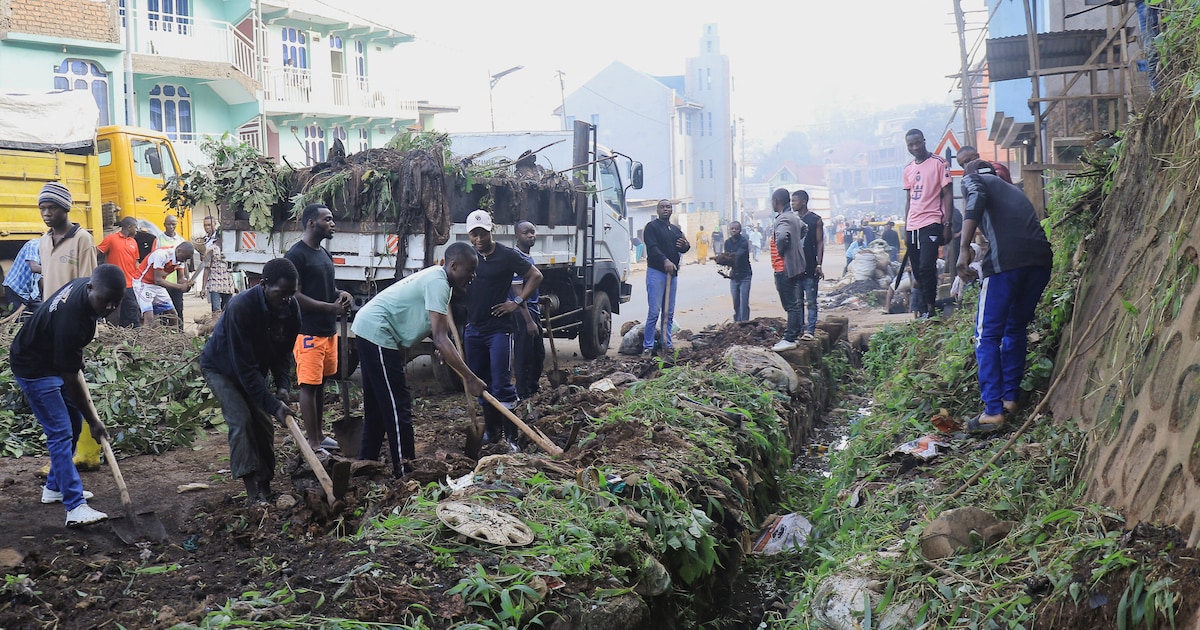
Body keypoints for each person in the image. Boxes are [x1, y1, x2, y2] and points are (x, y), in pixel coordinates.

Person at [352, 243, 486, 477]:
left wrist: (442, 347)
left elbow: (434, 331)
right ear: (453, 266)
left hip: (371, 330)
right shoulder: (438, 282)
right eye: (470, 270)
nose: (473, 276)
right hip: (377, 332)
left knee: (378, 407)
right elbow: (441, 338)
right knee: (397, 405)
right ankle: (406, 472)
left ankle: (366, 465)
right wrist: (470, 378)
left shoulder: (439, 280)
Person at [11, 264, 126, 526]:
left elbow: (71, 366)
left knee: (73, 423)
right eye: (105, 301)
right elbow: (71, 378)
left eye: (115, 302)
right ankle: (74, 507)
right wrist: (95, 421)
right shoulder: (72, 318)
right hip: (34, 367)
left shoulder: (90, 291)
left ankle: (54, 488)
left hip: (52, 359)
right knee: (60, 432)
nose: (109, 307)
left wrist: (86, 418)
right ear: (90, 288)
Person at [958, 160, 1053, 432]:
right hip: (1040, 261)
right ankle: (1010, 399)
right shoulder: (1014, 190)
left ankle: (992, 411)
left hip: (1006, 265)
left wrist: (964, 247)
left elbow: (975, 196)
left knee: (986, 336)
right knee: (1015, 327)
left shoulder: (973, 180)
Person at [200, 258, 301, 505]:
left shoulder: (291, 308)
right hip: (221, 369)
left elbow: (284, 352)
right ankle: (252, 493)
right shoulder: (241, 307)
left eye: (291, 293)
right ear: (264, 285)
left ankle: (265, 486)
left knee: (264, 425)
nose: (287, 299)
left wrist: (283, 386)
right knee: (242, 419)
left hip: (252, 369)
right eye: (281, 293)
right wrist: (274, 405)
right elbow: (243, 369)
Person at [463, 210, 543, 449]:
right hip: (472, 330)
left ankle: (511, 436)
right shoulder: (467, 256)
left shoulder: (506, 256)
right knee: (481, 383)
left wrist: (516, 303)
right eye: (474, 234)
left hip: (499, 330)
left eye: (483, 234)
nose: (479, 239)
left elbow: (535, 275)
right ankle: (492, 431)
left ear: (491, 231)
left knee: (502, 384)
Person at [37, 181, 102, 470]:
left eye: (51, 207)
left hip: (72, 325)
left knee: (72, 385)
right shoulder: (42, 240)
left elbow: (90, 286)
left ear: (65, 208)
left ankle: (85, 452)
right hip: (49, 325)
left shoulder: (82, 239)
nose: (47, 213)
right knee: (64, 386)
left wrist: (86, 325)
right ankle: (79, 452)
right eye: (43, 208)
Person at [286, 204, 353, 454]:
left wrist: (341, 294)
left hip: (327, 331)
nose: (332, 223)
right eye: (328, 219)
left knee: (321, 383)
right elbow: (295, 295)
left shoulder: (323, 253)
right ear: (312, 223)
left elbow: (327, 287)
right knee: (308, 386)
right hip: (308, 331)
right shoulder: (296, 255)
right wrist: (329, 308)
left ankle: (320, 435)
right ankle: (312, 442)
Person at [902, 129, 953, 319]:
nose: (915, 147)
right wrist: (907, 226)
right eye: (910, 145)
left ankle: (931, 308)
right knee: (917, 270)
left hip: (932, 221)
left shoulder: (939, 163)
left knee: (926, 266)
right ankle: (924, 308)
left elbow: (948, 193)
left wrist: (947, 224)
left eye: (918, 143)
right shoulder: (908, 169)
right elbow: (908, 199)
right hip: (912, 225)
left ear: (924, 141)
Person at [642, 200, 690, 356]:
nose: (665, 209)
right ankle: (648, 346)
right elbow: (652, 248)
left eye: (668, 207)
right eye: (662, 207)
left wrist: (685, 246)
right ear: (657, 210)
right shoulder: (651, 228)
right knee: (654, 312)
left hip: (672, 275)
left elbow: (684, 246)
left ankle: (666, 344)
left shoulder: (675, 230)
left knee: (668, 313)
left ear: (671, 210)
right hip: (656, 272)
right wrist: (665, 261)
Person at [510, 221, 545, 400]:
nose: (530, 235)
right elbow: (517, 291)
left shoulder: (527, 256)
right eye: (526, 233)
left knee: (538, 353)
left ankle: (533, 387)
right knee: (524, 353)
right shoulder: (517, 258)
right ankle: (522, 392)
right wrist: (529, 320)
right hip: (522, 312)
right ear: (516, 236)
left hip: (532, 309)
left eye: (532, 231)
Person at [770, 188, 807, 352]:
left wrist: (782, 249)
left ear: (776, 201)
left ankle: (790, 338)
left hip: (783, 267)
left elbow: (783, 237)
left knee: (791, 305)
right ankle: (794, 335)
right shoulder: (794, 217)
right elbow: (804, 228)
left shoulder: (783, 218)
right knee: (796, 303)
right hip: (794, 266)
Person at [132, 241, 195, 327]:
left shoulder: (181, 259)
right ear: (179, 251)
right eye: (184, 258)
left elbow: (180, 279)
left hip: (157, 286)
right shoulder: (162, 254)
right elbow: (158, 280)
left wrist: (188, 284)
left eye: (187, 259)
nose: (184, 261)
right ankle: (145, 339)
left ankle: (173, 339)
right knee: (149, 317)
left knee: (173, 315)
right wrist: (180, 287)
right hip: (143, 284)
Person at [96, 217, 142, 327]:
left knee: (131, 309)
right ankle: (111, 332)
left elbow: (136, 262)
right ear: (129, 227)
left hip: (130, 283)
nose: (137, 230)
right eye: (135, 227)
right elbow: (96, 252)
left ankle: (132, 334)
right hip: (114, 284)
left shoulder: (133, 242)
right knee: (111, 310)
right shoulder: (111, 239)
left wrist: (140, 277)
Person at [792, 190, 825, 339]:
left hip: (811, 267)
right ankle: (799, 330)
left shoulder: (815, 220)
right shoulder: (791, 220)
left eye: (795, 201)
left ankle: (810, 331)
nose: (792, 204)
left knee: (811, 301)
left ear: (803, 201)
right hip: (796, 269)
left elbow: (819, 242)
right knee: (798, 303)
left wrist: (819, 264)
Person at [157, 215, 186, 330]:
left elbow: (184, 262)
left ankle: (180, 333)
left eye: (174, 224)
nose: (171, 227)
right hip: (163, 282)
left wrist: (184, 278)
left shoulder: (180, 240)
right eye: (169, 224)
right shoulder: (159, 239)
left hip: (176, 282)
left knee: (178, 308)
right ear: (164, 224)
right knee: (164, 310)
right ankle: (165, 335)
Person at [720, 221, 752, 321]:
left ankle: (744, 323)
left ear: (740, 230)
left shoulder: (744, 242)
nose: (734, 230)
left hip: (745, 276)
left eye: (736, 229)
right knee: (736, 302)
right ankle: (737, 323)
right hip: (734, 276)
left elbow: (738, 256)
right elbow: (727, 257)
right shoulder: (727, 242)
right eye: (732, 228)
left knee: (743, 302)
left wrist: (724, 258)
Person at [3, 238, 41, 312]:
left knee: (41, 316)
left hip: (32, 293)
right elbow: (34, 267)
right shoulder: (34, 244)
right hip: (16, 290)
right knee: (20, 320)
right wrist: (55, 269)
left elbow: (42, 277)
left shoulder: (52, 250)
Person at [202, 230, 235, 312]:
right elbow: (206, 269)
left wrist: (234, 285)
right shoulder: (211, 249)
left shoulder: (230, 250)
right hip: (215, 284)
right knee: (216, 311)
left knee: (227, 310)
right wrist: (203, 288)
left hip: (228, 285)